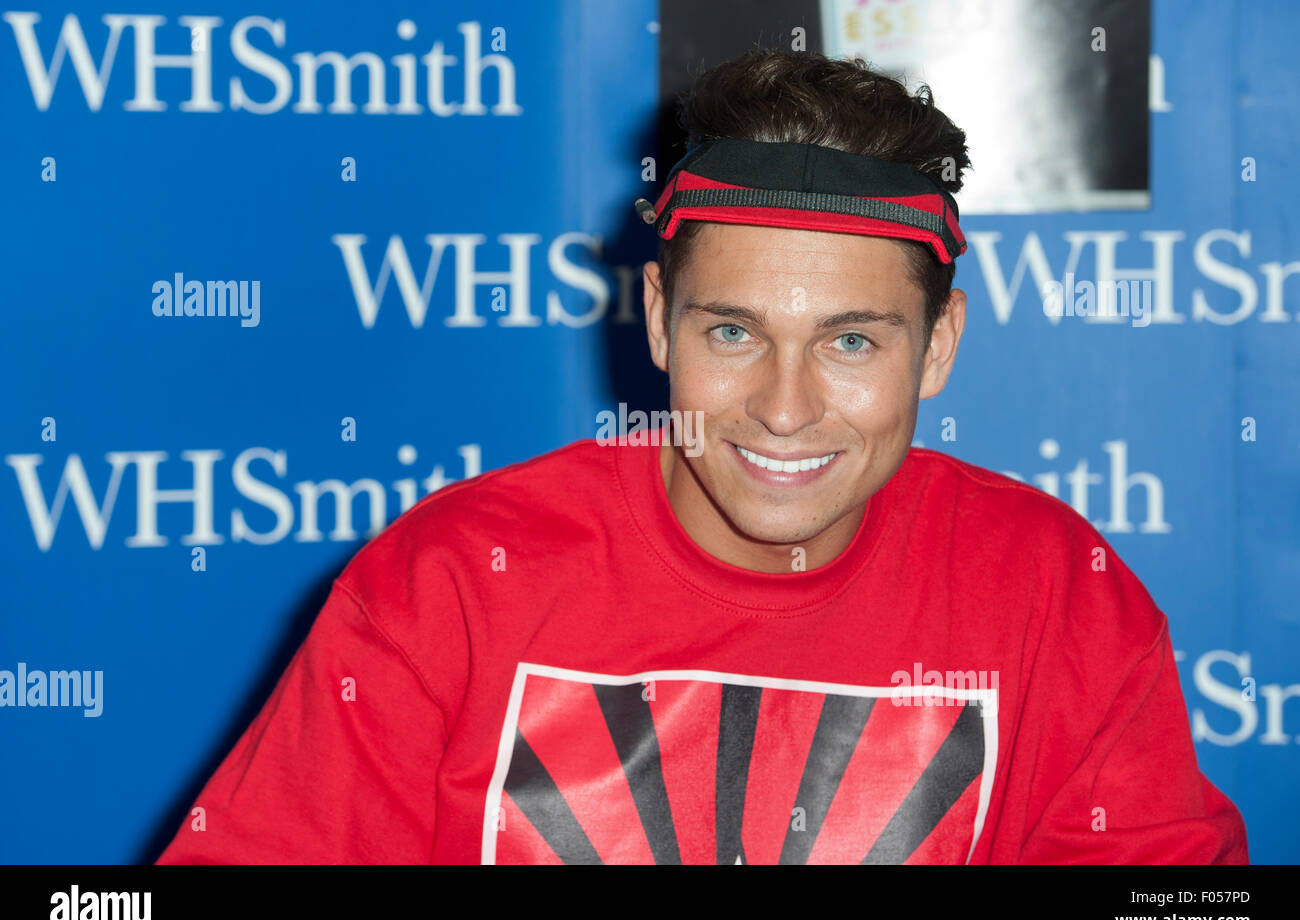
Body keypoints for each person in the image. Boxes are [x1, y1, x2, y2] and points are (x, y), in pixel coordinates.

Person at [156, 50, 1248, 865]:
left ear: (939, 347)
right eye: (733, 332)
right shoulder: (446, 581)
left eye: (850, 341)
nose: (783, 408)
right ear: (656, 317)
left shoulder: (1057, 590)